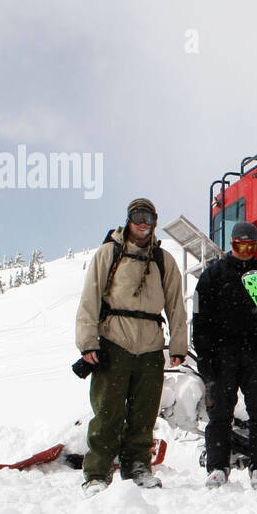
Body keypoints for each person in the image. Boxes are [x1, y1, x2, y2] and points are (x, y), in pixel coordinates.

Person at [75, 197, 188, 495]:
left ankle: (138, 466)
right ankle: (98, 472)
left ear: (154, 222)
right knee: (108, 411)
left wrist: (178, 345)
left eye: (149, 218)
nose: (143, 223)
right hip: (114, 341)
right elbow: (90, 299)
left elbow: (176, 305)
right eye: (138, 216)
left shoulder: (164, 261)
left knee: (144, 413)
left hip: (151, 344)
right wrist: (88, 341)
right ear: (128, 219)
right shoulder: (108, 254)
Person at [192, 221, 257, 490]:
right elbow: (200, 319)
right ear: (231, 244)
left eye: (250, 245)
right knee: (219, 412)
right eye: (238, 245)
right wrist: (204, 356)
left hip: (256, 354)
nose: (244, 250)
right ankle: (218, 466)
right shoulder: (213, 275)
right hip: (221, 354)